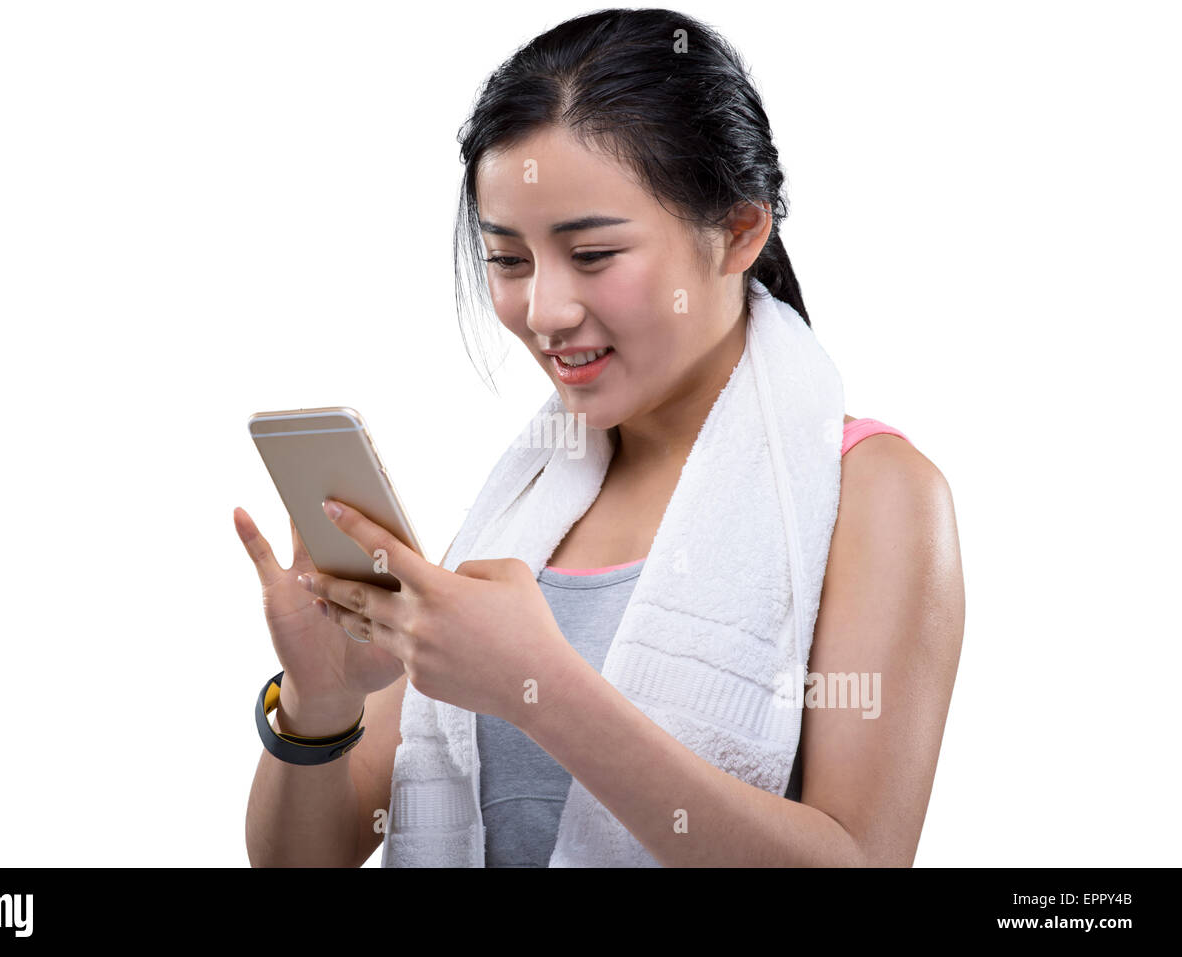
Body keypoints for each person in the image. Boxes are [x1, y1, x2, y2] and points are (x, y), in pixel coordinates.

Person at [240, 8, 964, 867]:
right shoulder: (525, 507)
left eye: (592, 255)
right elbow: (304, 857)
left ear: (739, 231)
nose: (543, 312)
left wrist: (543, 693)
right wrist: (319, 705)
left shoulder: (873, 492)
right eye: (508, 260)